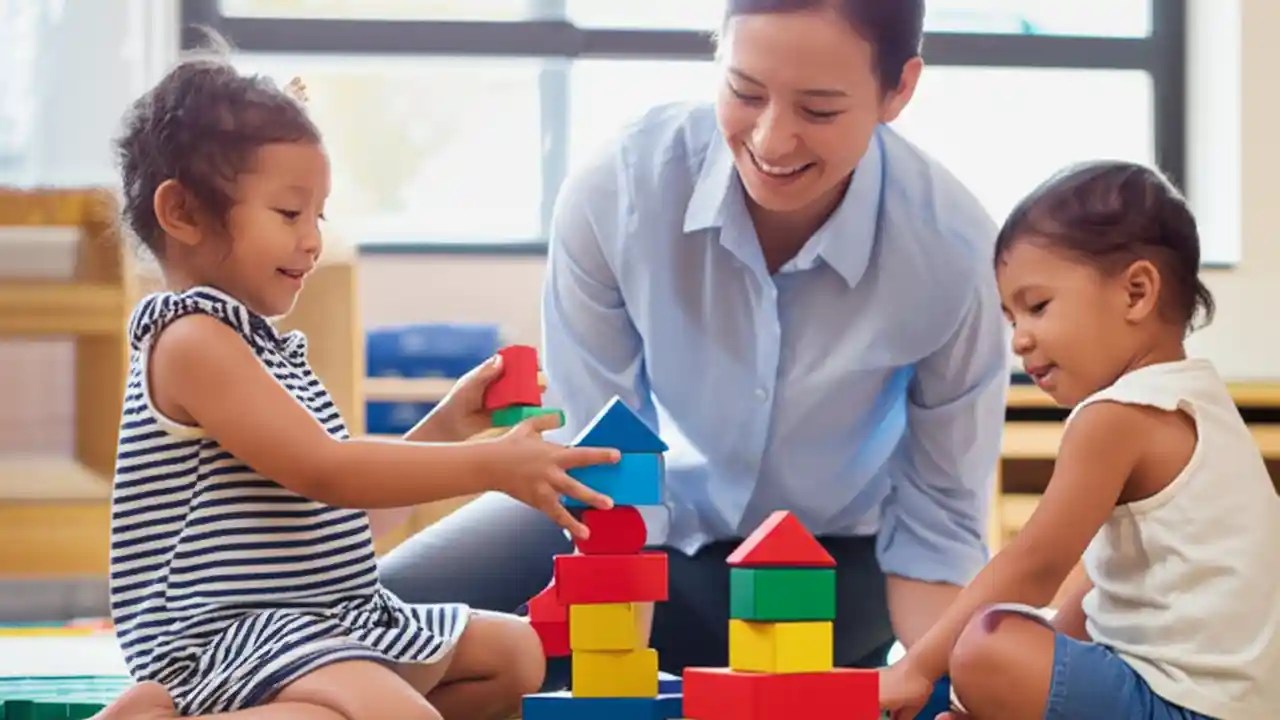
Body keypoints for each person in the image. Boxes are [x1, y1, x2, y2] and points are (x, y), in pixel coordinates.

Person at [380, 0, 1007, 696]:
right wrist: (611, 677)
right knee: (370, 627)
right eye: (744, 93)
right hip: (633, 532)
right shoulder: (616, 192)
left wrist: (939, 684)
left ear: (900, 89)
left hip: (834, 573)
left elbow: (940, 523)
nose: (772, 140)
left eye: (820, 111)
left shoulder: (957, 254)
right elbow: (604, 463)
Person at [90, 53, 620, 720]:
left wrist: (449, 427)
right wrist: (489, 464)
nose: (313, 241)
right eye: (289, 213)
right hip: (223, 642)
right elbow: (329, 470)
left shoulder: (262, 349)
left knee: (515, 656)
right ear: (183, 213)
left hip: (320, 622)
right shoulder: (192, 341)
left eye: (318, 215)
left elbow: (342, 518)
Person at [878, 160, 1280, 719]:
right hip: (1222, 705)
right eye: (1010, 317)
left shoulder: (1115, 416)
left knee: (983, 643)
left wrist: (917, 666)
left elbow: (1034, 565)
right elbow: (1096, 597)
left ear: (1136, 293)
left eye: (1037, 306)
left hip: (1185, 707)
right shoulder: (1198, 399)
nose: (1019, 339)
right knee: (990, 658)